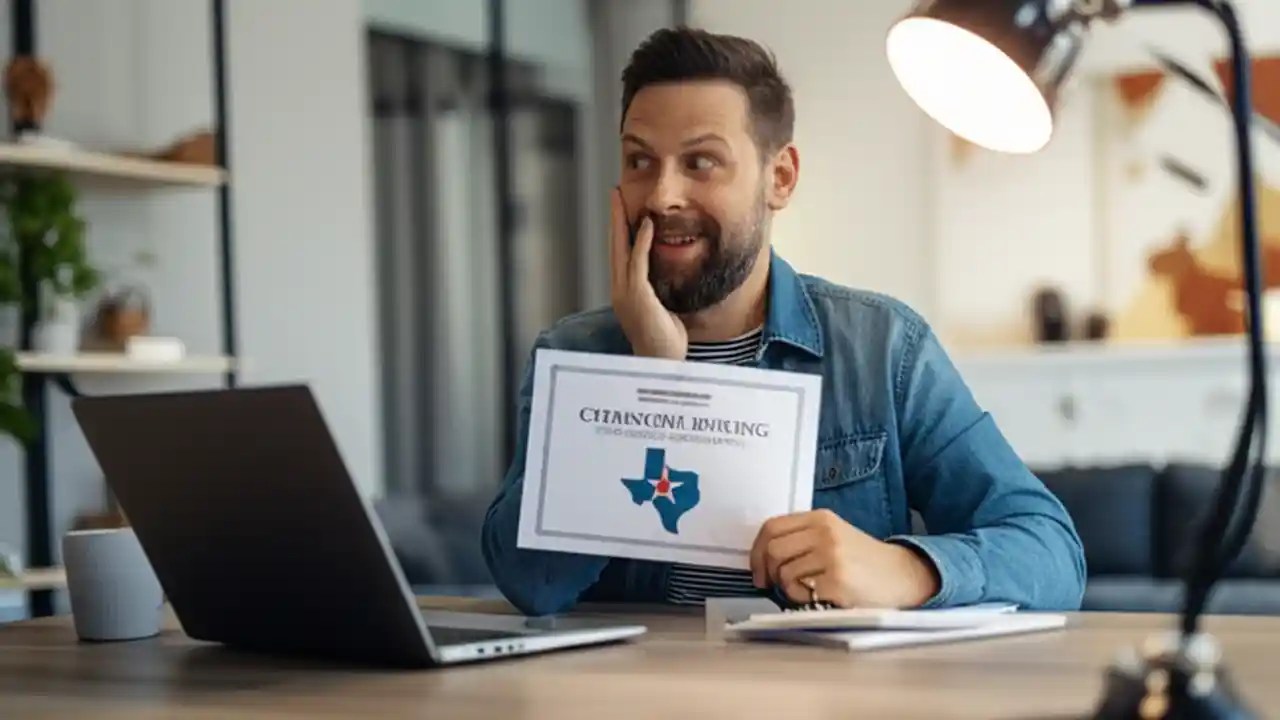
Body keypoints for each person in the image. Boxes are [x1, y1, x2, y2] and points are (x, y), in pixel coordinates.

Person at [481, 26, 1085, 616]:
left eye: (701, 162)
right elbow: (531, 582)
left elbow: (1051, 552)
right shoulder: (575, 353)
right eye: (641, 160)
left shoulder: (882, 349)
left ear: (781, 178)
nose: (663, 195)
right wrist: (654, 383)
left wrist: (903, 569)